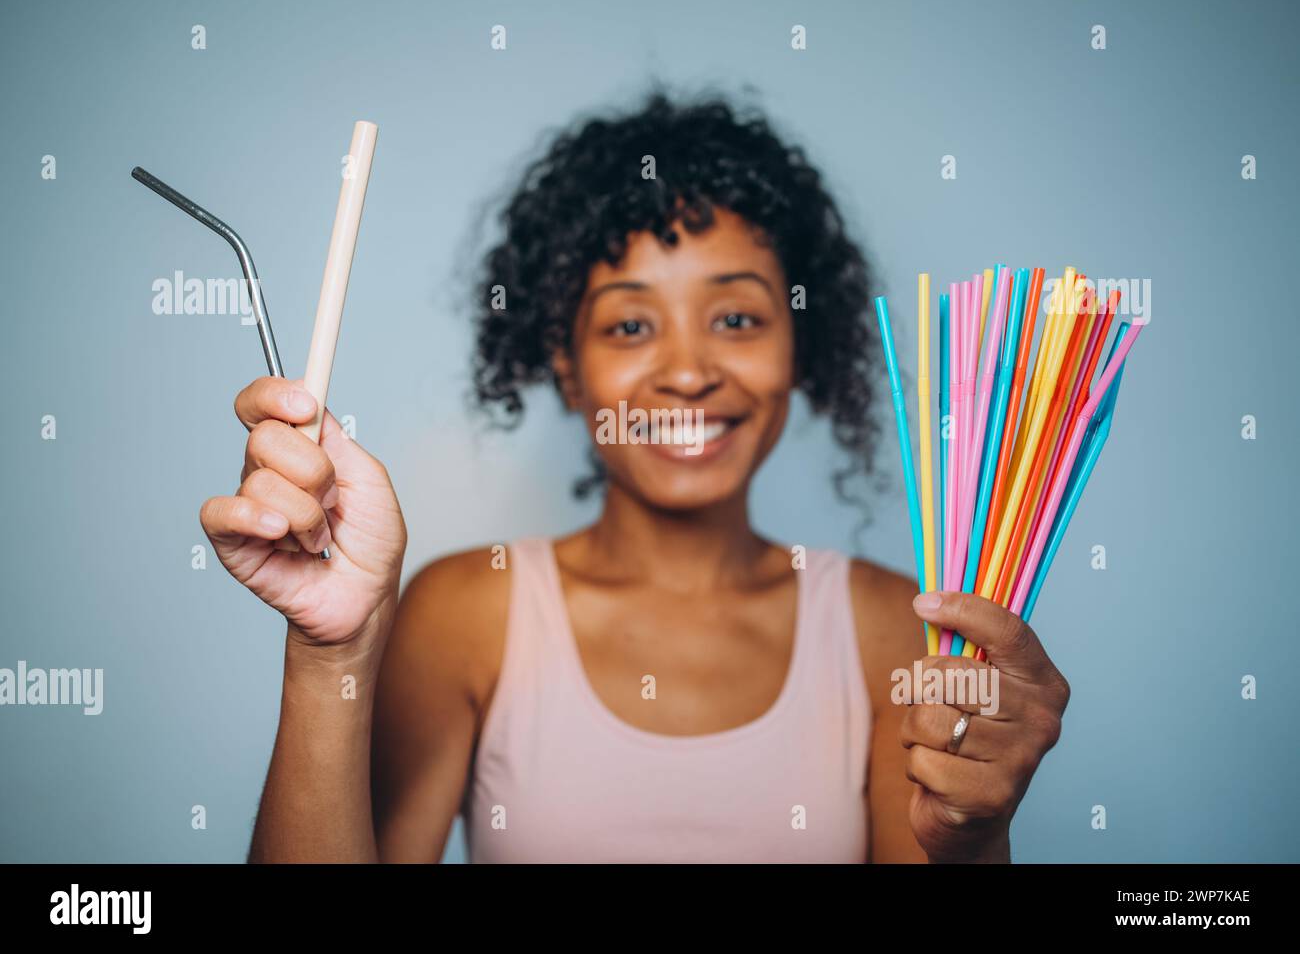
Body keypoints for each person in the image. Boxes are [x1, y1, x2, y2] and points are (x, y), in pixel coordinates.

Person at [200, 90, 1070, 863]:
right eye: (628, 327)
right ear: (566, 365)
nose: (688, 372)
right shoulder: (467, 615)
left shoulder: (892, 627)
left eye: (735, 317)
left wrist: (973, 840)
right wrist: (331, 656)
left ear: (800, 346)